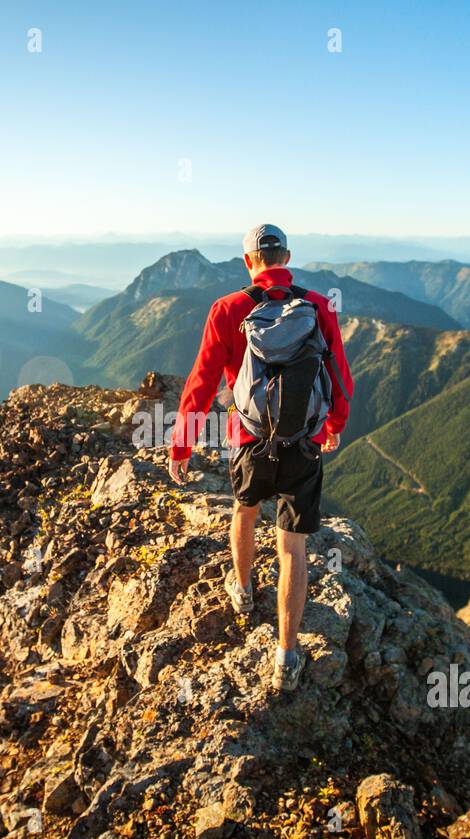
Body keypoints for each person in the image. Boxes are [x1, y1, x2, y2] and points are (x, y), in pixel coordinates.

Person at [168, 224, 353, 692]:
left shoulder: (228, 309)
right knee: (293, 546)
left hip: (249, 439)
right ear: (286, 256)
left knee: (245, 511)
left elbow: (202, 383)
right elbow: (341, 379)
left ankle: (244, 590)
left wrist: (182, 444)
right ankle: (287, 655)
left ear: (248, 261)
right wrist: (331, 427)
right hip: (302, 442)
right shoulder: (318, 307)